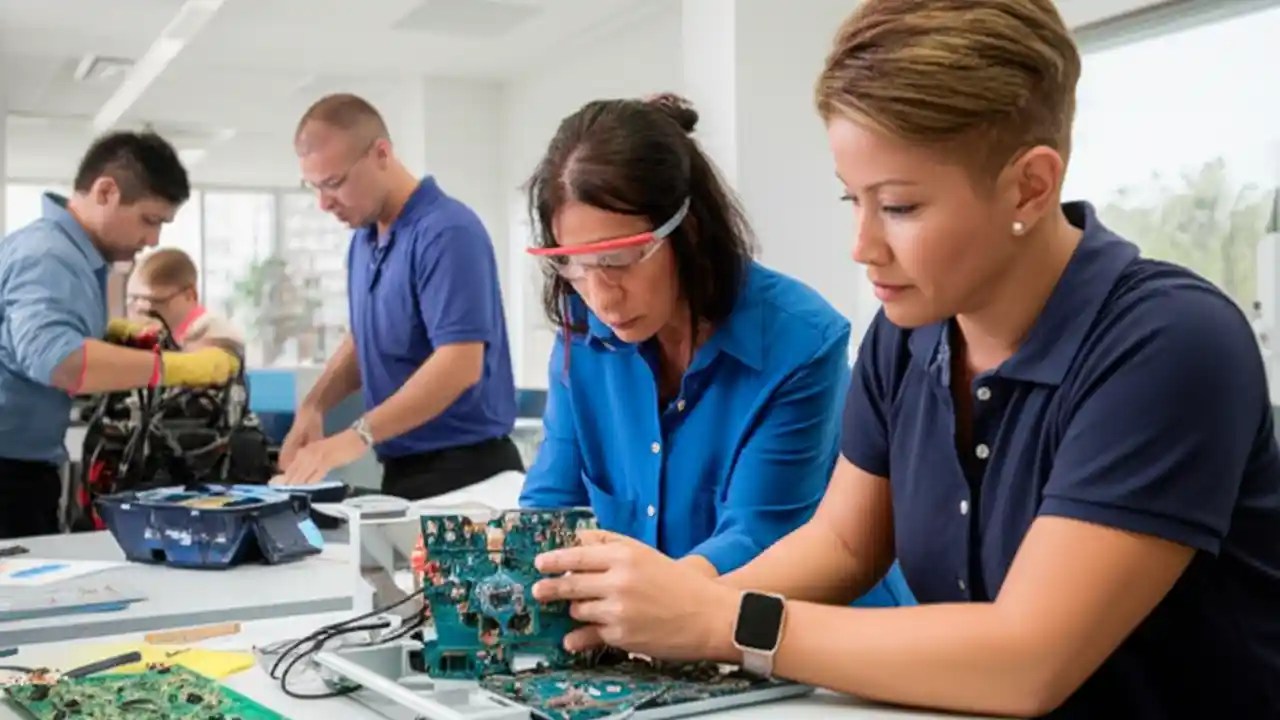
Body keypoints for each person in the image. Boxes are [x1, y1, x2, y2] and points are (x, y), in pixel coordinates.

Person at [528, 2, 1280, 718]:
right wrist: (676, 613)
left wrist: (724, 620)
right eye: (850, 200)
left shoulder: (1170, 345)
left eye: (899, 207)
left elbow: (1028, 658)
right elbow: (845, 544)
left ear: (1031, 184)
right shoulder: (907, 336)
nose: (863, 246)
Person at [518, 93, 912, 604]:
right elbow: (552, 504)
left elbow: (758, 533)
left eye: (618, 260)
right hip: (653, 637)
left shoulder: (800, 341)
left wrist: (655, 608)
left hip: (804, 631)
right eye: (572, 265)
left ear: (688, 230)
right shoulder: (582, 334)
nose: (600, 294)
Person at [0, 132, 243, 539]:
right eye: (149, 221)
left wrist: (110, 333)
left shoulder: (59, 251)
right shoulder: (50, 256)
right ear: (106, 191)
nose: (153, 241)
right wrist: (175, 367)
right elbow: (60, 361)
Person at [278, 93, 521, 499]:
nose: (324, 204)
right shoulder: (363, 243)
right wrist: (315, 406)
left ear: (381, 153)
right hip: (403, 474)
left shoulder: (446, 232)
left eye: (334, 184)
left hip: (471, 476)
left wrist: (356, 435)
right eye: (314, 188)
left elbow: (460, 363)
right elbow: (365, 341)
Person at [124, 247, 245, 356]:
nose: (143, 309)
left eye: (156, 301)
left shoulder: (215, 333)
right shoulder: (163, 335)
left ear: (190, 295)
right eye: (134, 299)